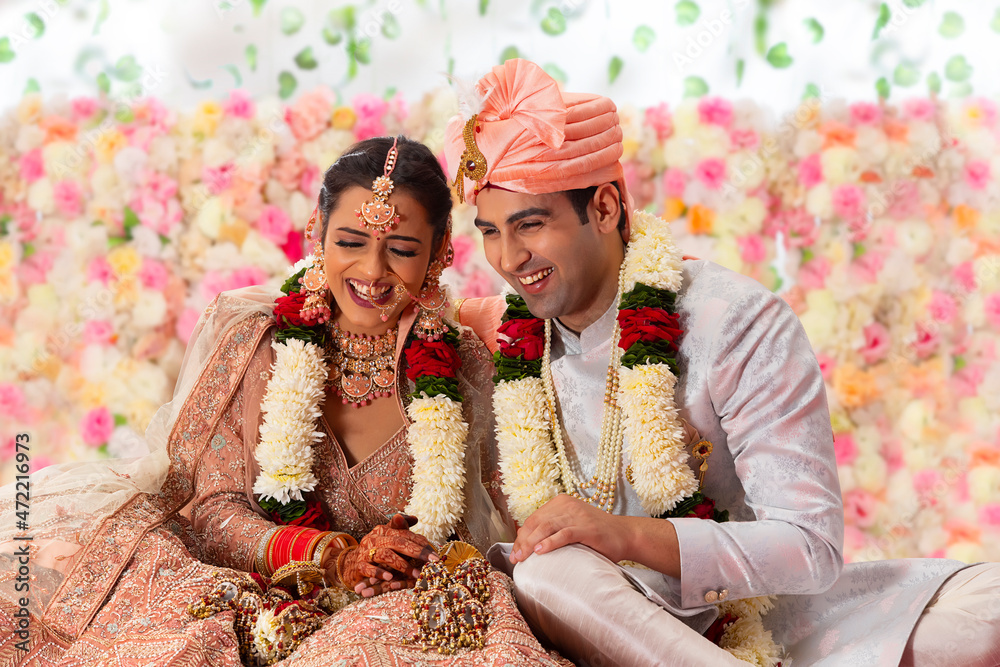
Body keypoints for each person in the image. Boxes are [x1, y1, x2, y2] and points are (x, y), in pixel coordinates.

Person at [446, 58, 1000, 666]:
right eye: (490, 231)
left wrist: (627, 535)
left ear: (604, 208)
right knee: (548, 575)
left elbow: (809, 547)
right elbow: (364, 292)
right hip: (583, 604)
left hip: (756, 618)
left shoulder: (732, 320)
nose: (508, 257)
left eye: (530, 224)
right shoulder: (495, 334)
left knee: (987, 612)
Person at [0, 136, 570, 667]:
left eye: (400, 249)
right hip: (259, 591)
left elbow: (519, 517)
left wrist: (413, 561)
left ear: (440, 252)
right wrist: (330, 555)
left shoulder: (465, 364)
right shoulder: (259, 342)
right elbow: (213, 510)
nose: (372, 272)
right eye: (350, 242)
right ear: (316, 231)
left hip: (398, 608)